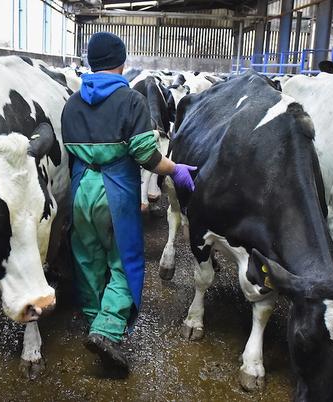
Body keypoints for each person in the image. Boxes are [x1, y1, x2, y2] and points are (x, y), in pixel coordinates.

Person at [61, 32, 197, 376]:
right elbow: (144, 154)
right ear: (122, 63)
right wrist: (175, 168)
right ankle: (107, 331)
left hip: (79, 190)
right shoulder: (131, 100)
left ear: (91, 62)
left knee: (87, 259)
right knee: (124, 262)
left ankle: (96, 321)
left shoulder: (72, 103)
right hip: (115, 189)